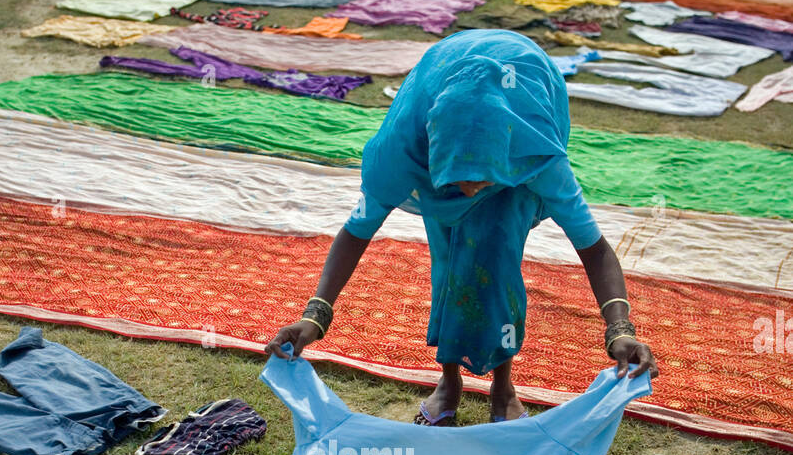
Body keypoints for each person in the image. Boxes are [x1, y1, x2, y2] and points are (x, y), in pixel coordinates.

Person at [266, 29, 658, 423]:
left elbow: (593, 248)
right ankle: (448, 379)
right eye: (459, 178)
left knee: (497, 254)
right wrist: (315, 316)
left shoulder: (535, 154)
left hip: (525, 93)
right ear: (434, 152)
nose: (470, 191)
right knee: (449, 254)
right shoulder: (401, 153)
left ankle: (503, 387)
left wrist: (620, 330)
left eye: (481, 178)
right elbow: (357, 231)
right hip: (439, 79)